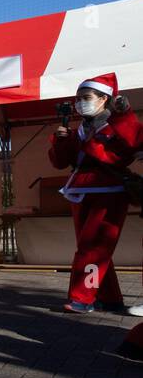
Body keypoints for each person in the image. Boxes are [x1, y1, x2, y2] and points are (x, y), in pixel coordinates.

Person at [49, 73, 139, 314]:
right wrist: (60, 141)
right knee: (93, 248)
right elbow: (60, 162)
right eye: (78, 98)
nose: (80, 103)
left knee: (93, 247)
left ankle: (82, 298)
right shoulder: (79, 129)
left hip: (109, 190)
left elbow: (132, 145)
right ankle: (109, 299)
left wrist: (124, 116)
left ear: (104, 99)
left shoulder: (119, 125)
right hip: (79, 190)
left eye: (85, 98)